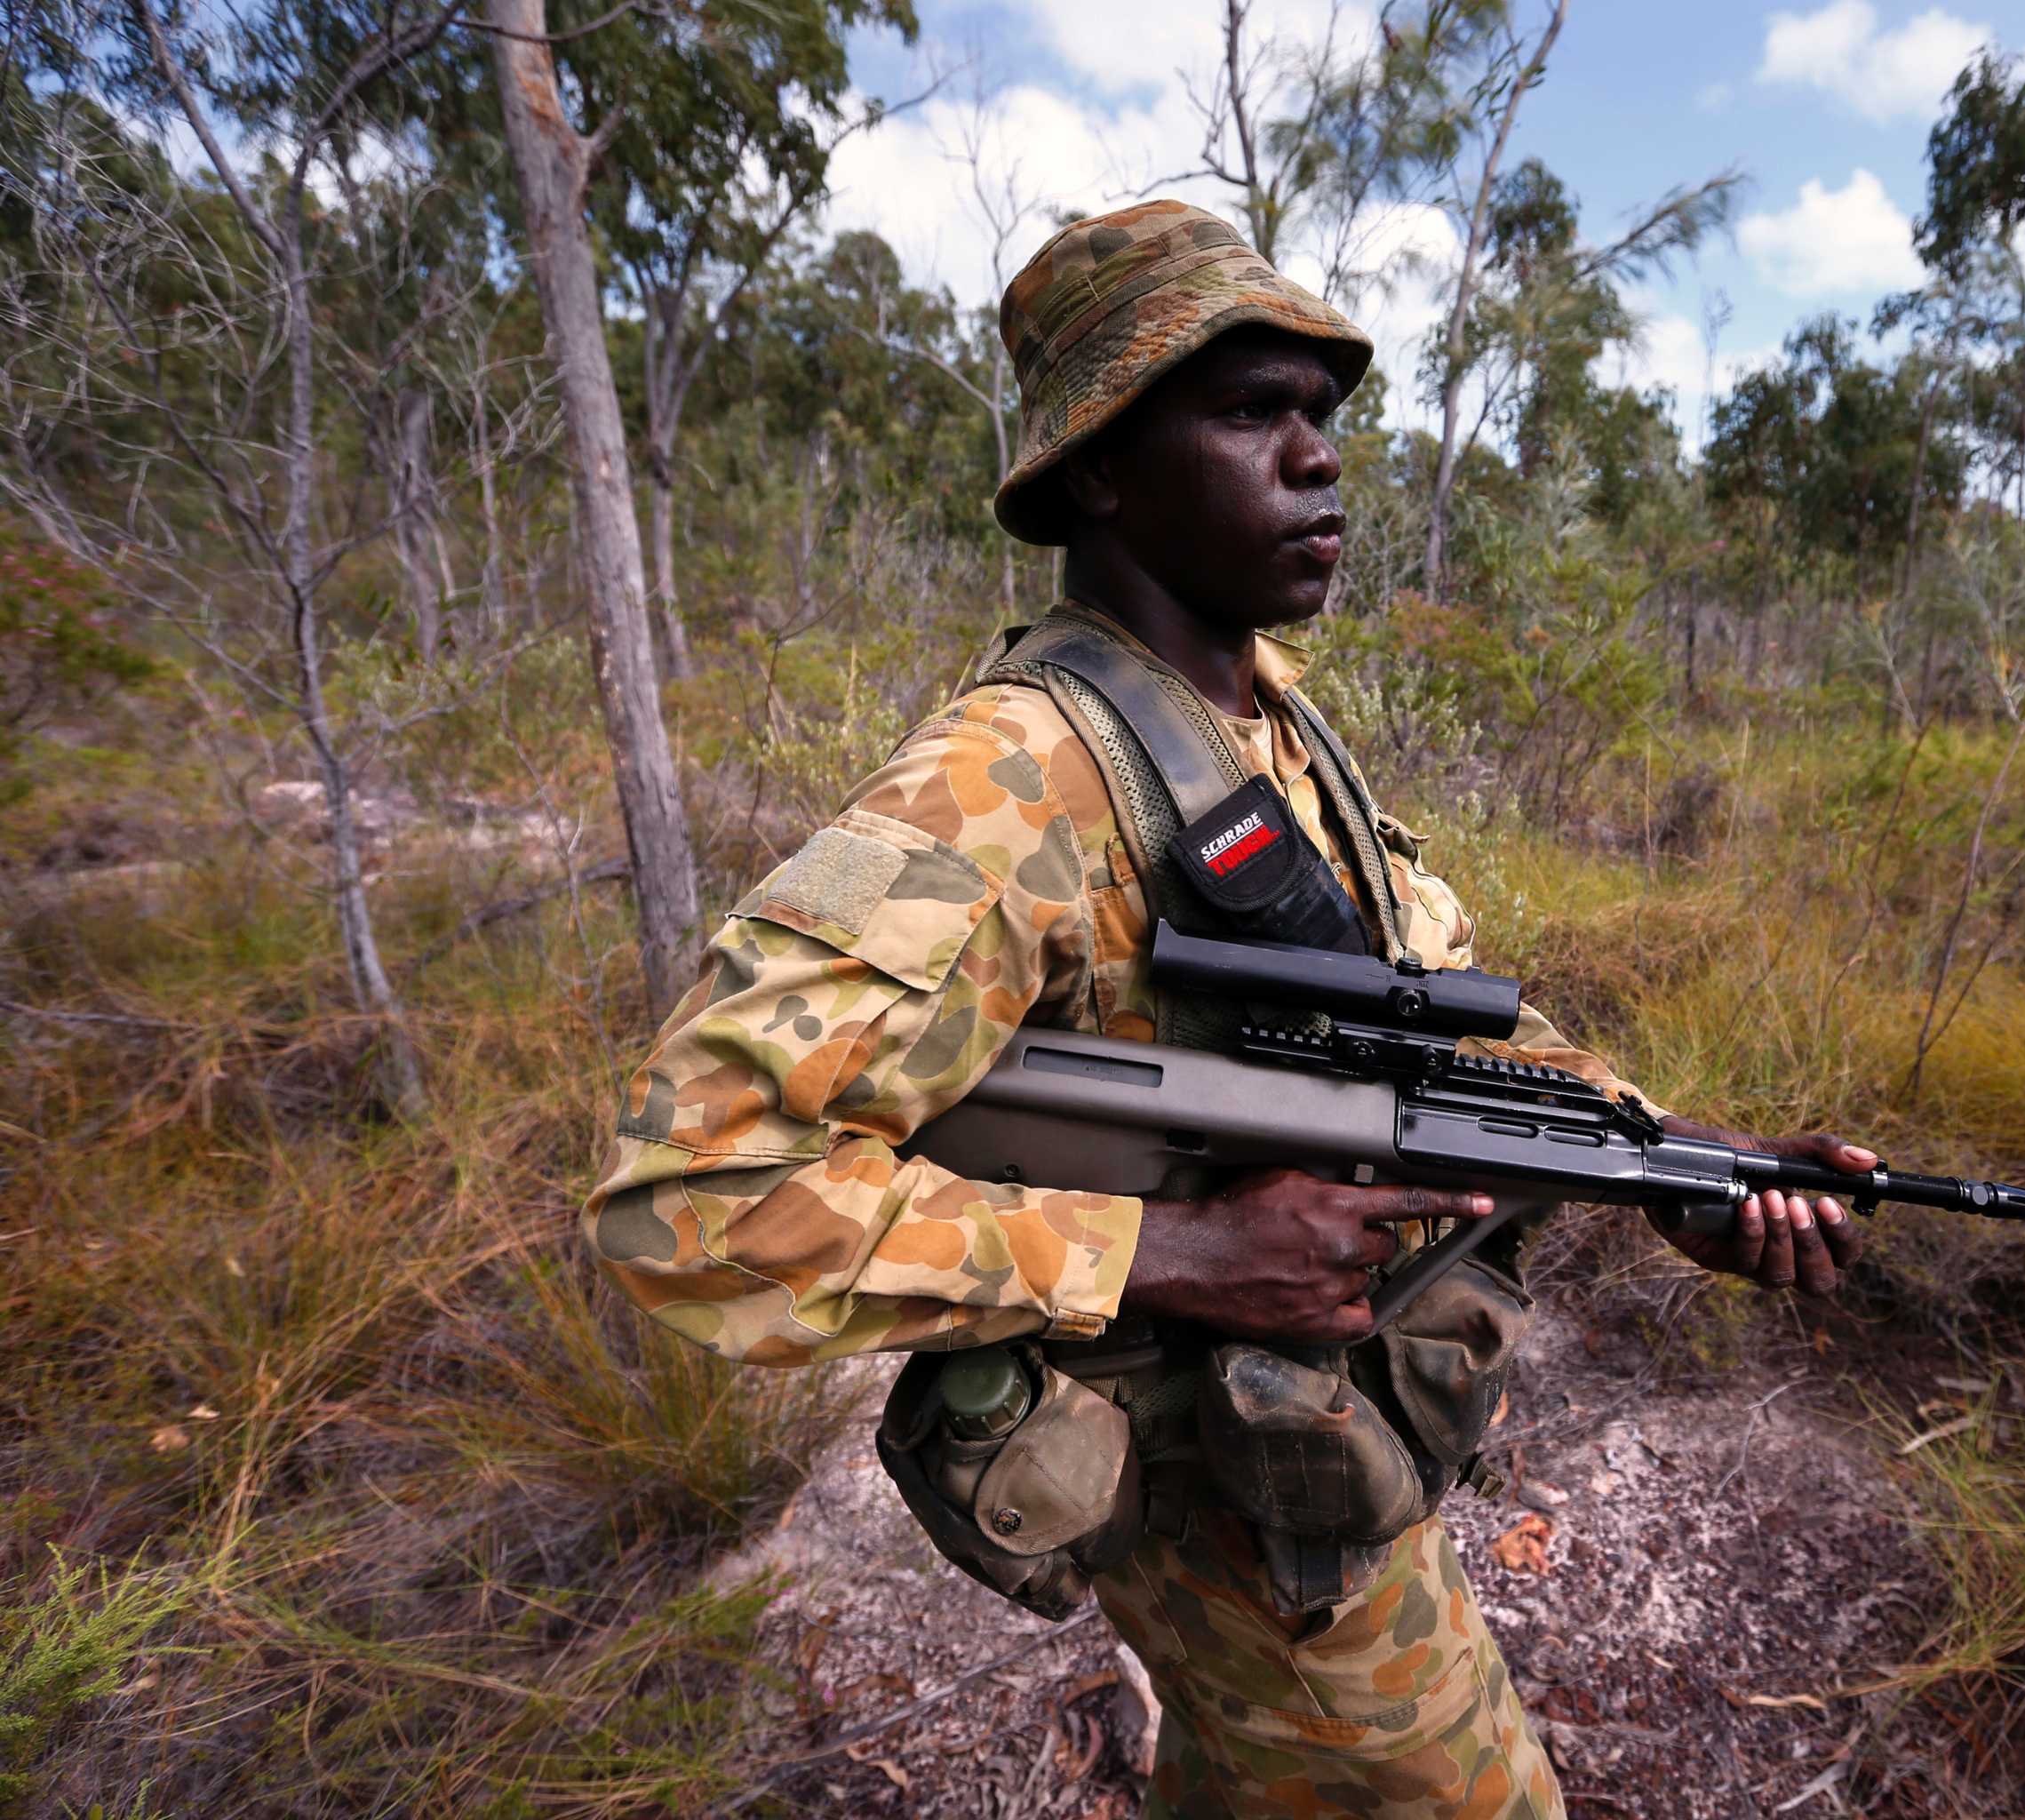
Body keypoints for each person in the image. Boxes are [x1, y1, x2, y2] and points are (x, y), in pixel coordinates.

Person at [584, 201, 1872, 1819]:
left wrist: (1661, 1151)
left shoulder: (1263, 722)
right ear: (1102, 466)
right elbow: (686, 1184)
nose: (1317, 458)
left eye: (1322, 417)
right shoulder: (1010, 780)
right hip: (1227, 1510)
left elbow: (1410, 1026)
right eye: (1251, 410)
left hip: (1321, 1439)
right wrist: (1177, 1252)